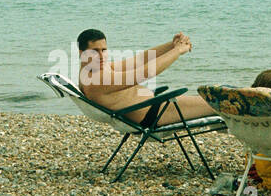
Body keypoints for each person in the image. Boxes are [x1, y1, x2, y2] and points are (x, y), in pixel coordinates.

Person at [75, 28, 217, 125]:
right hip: (154, 113)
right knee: (218, 104)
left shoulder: (95, 68)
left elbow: (139, 60)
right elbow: (146, 72)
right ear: (82, 52)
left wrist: (171, 45)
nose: (101, 56)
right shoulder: (96, 80)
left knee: (220, 99)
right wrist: (178, 51)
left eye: (103, 50)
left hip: (154, 103)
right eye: (94, 51)